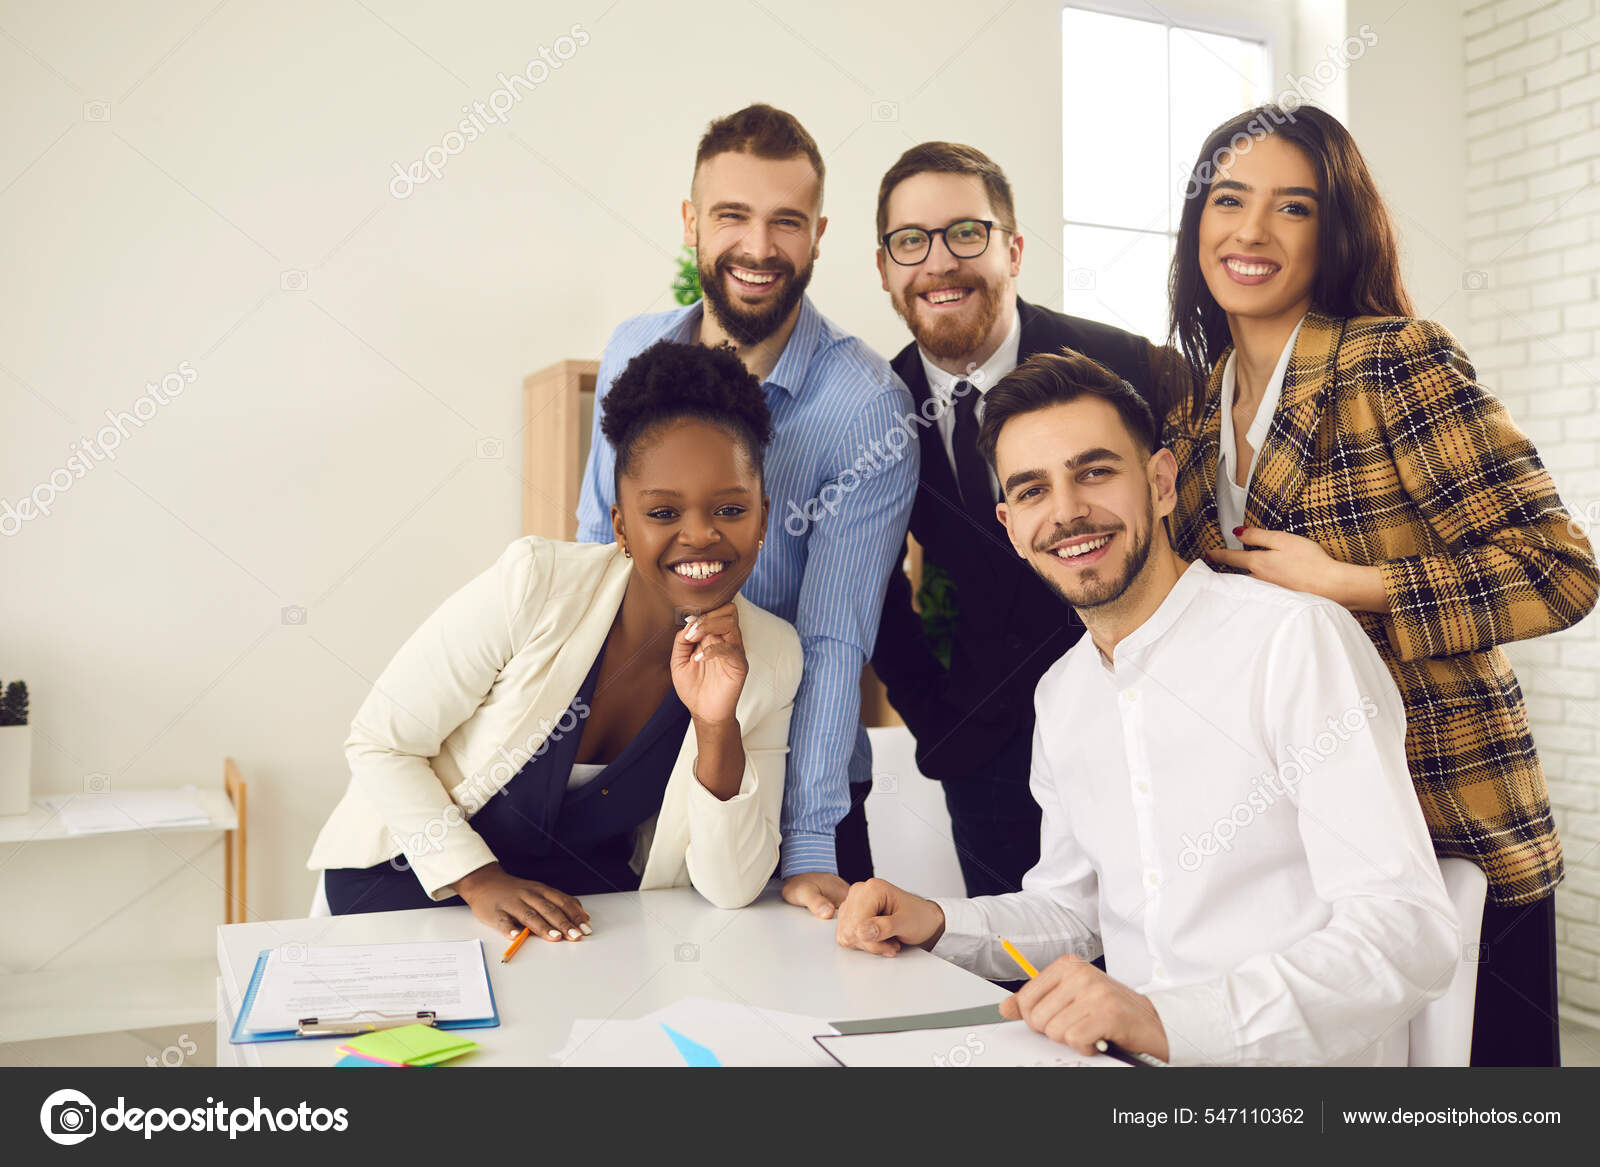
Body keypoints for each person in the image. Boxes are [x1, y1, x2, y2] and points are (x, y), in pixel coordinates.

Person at [835, 350, 1459, 1066]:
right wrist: (940, 919)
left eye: (1094, 471)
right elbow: (1073, 912)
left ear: (1161, 483)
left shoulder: (1293, 642)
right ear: (1011, 526)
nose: (1067, 511)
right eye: (1034, 490)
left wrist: (1167, 1021)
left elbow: (1408, 931)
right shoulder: (1063, 692)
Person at [1162, 103, 1599, 1065]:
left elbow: (1560, 570)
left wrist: (1355, 583)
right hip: (1306, 856)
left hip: (1452, 826)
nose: (1251, 232)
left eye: (1294, 208)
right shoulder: (1193, 419)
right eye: (1228, 200)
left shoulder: (1393, 360)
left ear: (1336, 229)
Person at [308, 341, 802, 941]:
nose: (700, 535)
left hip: (580, 914)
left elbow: (731, 886)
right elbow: (381, 745)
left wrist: (717, 725)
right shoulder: (535, 584)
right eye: (664, 514)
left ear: (763, 519)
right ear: (621, 523)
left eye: (729, 509)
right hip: (412, 882)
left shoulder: (772, 656)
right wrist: (479, 879)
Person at [577, 104, 919, 920]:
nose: (759, 249)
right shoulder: (632, 349)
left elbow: (837, 643)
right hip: (636, 762)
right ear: (693, 222)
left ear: (819, 233)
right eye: (732, 216)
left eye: (786, 222)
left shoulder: (868, 408)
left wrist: (805, 848)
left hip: (792, 774)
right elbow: (595, 552)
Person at [869, 141, 1175, 899]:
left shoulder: (1127, 364)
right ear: (885, 268)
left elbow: (1194, 525)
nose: (939, 261)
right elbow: (868, 586)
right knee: (1027, 989)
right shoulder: (873, 406)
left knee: (1162, 969)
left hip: (1152, 729)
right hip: (987, 758)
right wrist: (939, 728)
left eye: (966, 233)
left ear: (1013, 249)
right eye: (911, 241)